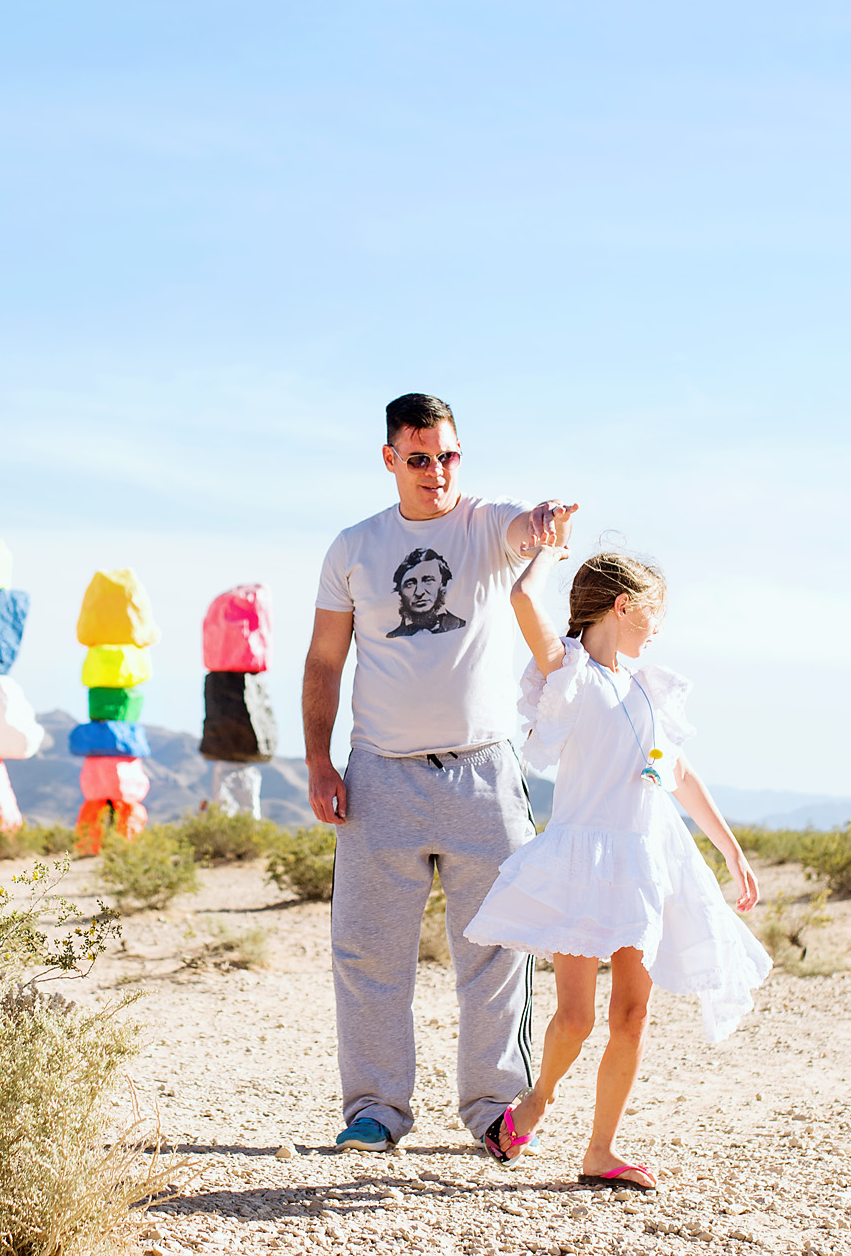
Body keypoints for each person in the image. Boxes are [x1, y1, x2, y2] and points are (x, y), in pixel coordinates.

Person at [462, 513, 769, 1191]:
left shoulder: (647, 690)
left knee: (633, 1011)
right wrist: (544, 551)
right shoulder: (568, 673)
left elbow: (681, 776)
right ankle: (536, 1102)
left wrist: (732, 851)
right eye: (653, 613)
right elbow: (521, 599)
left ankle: (600, 1150)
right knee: (575, 1016)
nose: (658, 628)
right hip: (584, 862)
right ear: (623, 605)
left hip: (645, 860)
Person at [304, 392, 573, 1158]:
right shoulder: (352, 547)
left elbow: (530, 525)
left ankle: (494, 1107)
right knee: (367, 954)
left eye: (447, 455)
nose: (435, 471)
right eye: (418, 458)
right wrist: (320, 759)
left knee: (498, 947)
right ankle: (375, 1110)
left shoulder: (488, 523)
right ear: (390, 458)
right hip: (379, 776)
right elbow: (325, 661)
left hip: (484, 773)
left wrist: (546, 519)